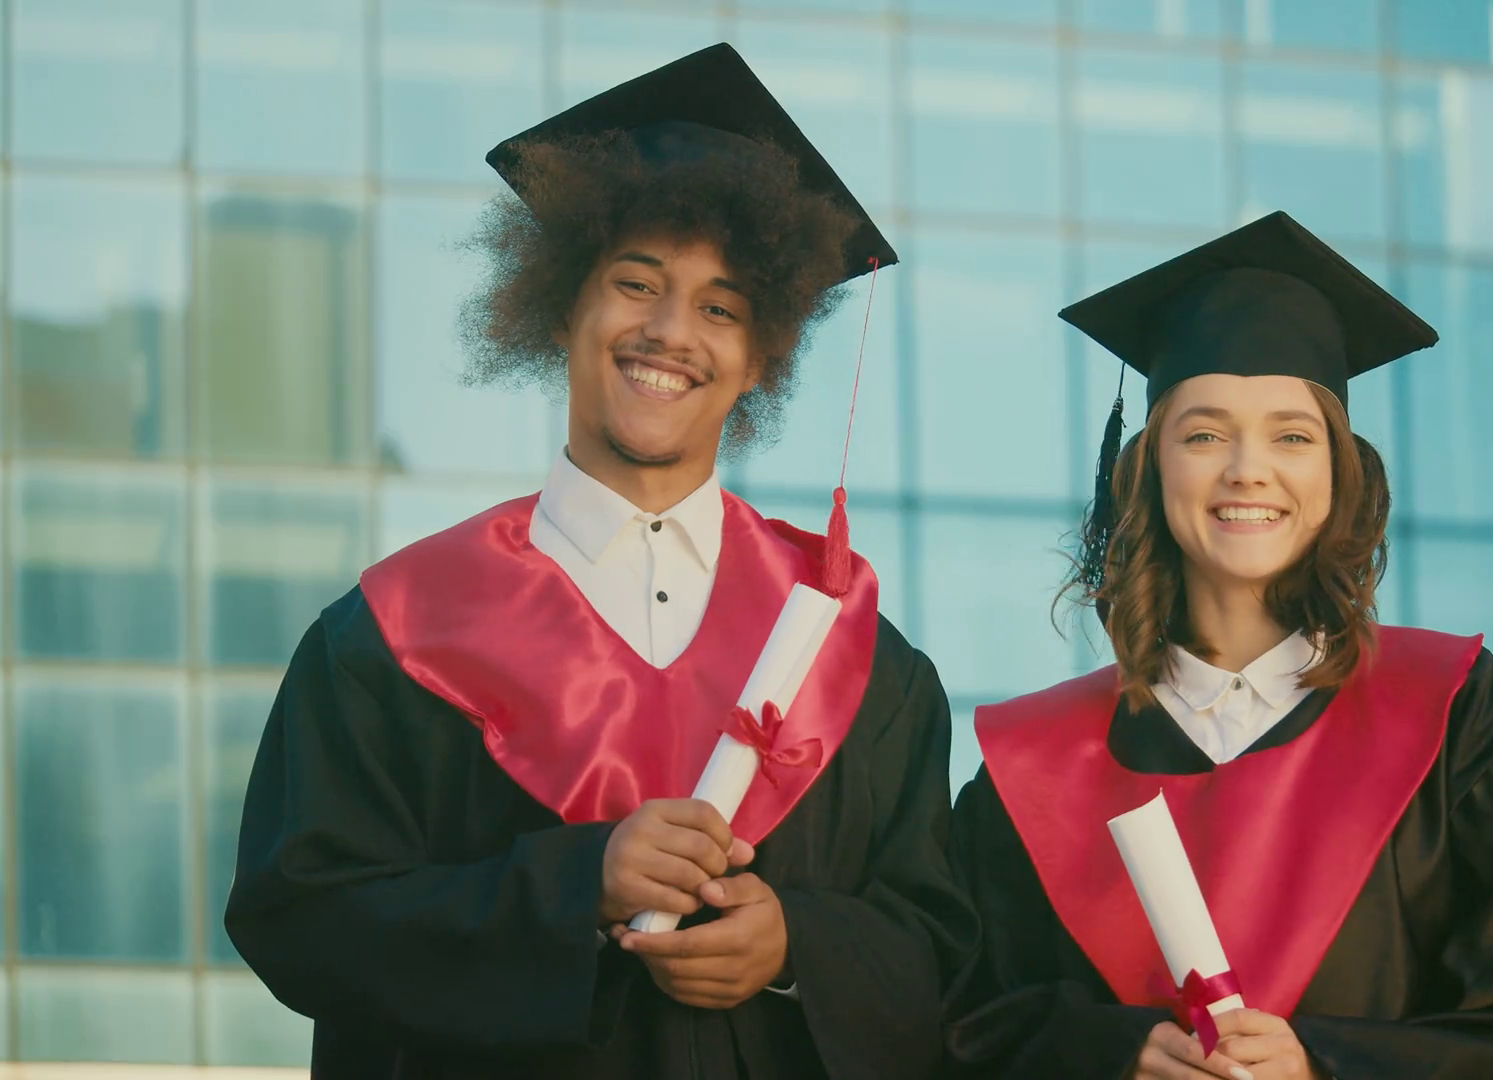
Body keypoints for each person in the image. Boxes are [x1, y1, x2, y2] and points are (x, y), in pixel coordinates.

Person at [226, 44, 972, 1079]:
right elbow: (298, 916)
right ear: (561, 305)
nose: (670, 332)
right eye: (635, 284)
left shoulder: (867, 669)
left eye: (721, 308)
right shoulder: (396, 634)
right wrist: (576, 888)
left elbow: (950, 957)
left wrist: (799, 946)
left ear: (761, 357)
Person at [944, 212, 1493, 1080]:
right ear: (1150, 467)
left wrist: (1324, 1065)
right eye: (1203, 434)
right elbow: (954, 1018)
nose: (1247, 469)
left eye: (1292, 436)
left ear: (1340, 471)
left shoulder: (1457, 713)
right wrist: (1118, 1053)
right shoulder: (1035, 763)